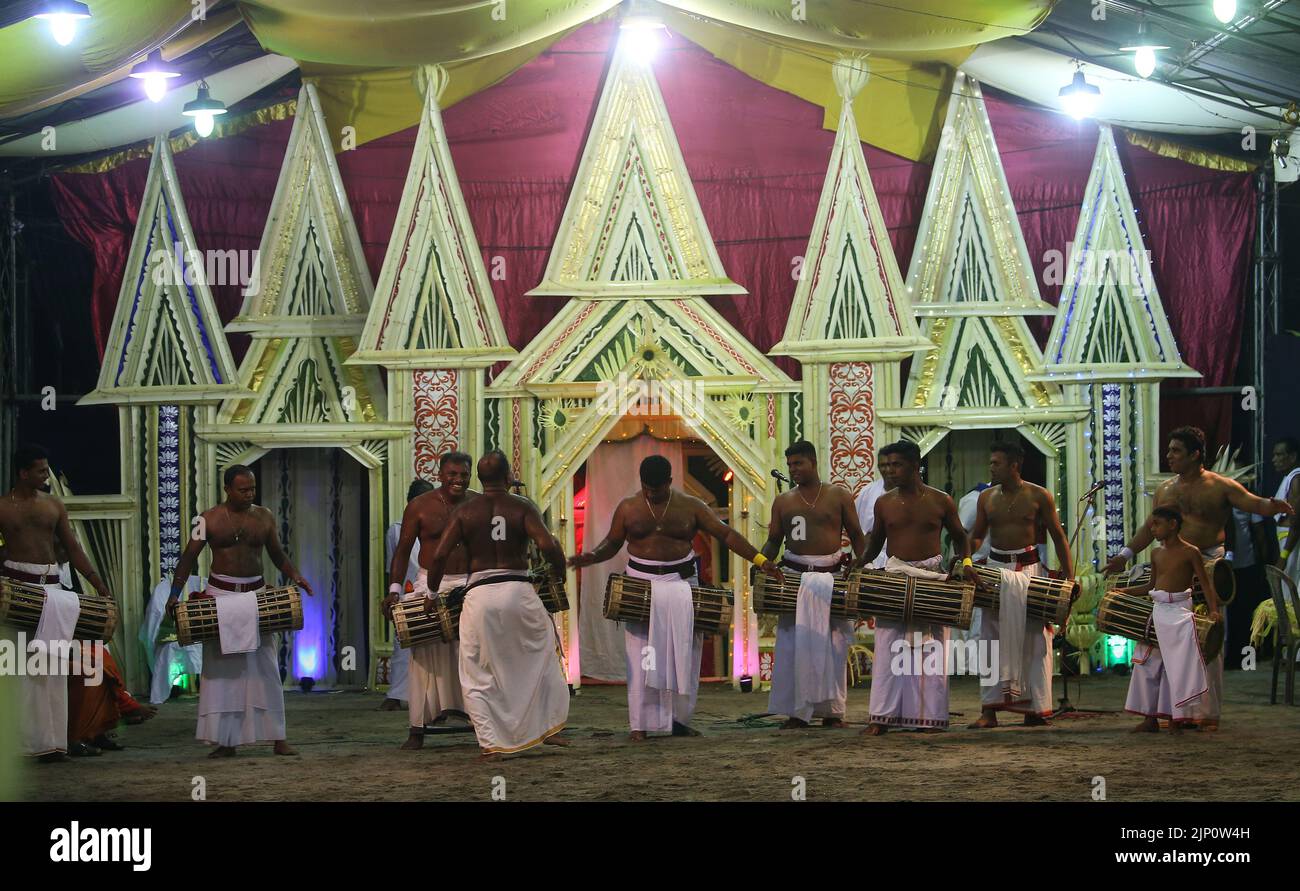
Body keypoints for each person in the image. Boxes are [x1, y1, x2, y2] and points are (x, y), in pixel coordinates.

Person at [570, 455, 781, 740]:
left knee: (683, 654)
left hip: (681, 582)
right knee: (643, 656)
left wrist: (759, 559)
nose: (651, 494)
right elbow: (612, 543)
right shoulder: (629, 507)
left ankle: (678, 721)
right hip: (642, 585)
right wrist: (592, 556)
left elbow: (726, 534)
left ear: (669, 482)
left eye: (657, 489)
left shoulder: (691, 506)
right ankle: (639, 725)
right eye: (647, 488)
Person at [1105, 426, 1292, 729]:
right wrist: (1124, 556)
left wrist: (1274, 507)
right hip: (1169, 566)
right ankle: (1155, 714)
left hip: (1207, 565)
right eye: (1169, 450)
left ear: (1195, 455)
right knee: (1155, 640)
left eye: (1176, 451)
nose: (1169, 456)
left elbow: (1254, 503)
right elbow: (1149, 527)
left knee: (1205, 639)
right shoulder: (1166, 489)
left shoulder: (1221, 486)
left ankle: (1201, 713)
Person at [426, 451, 570, 760]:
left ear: (478, 479)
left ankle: (491, 744)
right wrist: (559, 574)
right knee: (542, 658)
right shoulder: (522, 507)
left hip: (479, 595)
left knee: (477, 669)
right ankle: (547, 727)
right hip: (519, 591)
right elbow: (548, 545)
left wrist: (431, 593)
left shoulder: (465, 512)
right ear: (508, 478)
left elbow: (438, 556)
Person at [168, 464, 313, 757]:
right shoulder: (205, 519)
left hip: (257, 596)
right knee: (222, 672)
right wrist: (174, 593)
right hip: (221, 596)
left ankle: (278, 737)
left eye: (252, 489)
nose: (249, 494)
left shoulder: (265, 517)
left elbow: (277, 554)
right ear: (227, 489)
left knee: (267, 669)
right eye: (243, 489)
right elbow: (187, 558)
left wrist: (296, 575)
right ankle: (226, 741)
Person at [0, 444, 115, 762]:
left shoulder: (54, 505)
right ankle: (23, 745)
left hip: (53, 592)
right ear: (23, 473)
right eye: (39, 470)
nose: (45, 475)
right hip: (18, 590)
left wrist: (97, 582)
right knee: (20, 668)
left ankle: (53, 744)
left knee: (53, 669)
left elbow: (73, 548)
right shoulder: (2, 508)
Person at [858, 441, 971, 735]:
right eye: (887, 465)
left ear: (914, 466)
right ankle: (880, 718)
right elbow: (874, 544)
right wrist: (858, 563)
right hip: (895, 578)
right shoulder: (884, 502)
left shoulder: (941, 500)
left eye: (896, 465)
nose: (890, 471)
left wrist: (965, 564)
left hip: (931, 580)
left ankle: (930, 717)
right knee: (887, 649)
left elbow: (961, 537)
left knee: (931, 651)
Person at [966, 440, 1073, 728]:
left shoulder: (1039, 496)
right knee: (990, 639)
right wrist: (965, 560)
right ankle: (989, 710)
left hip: (1030, 570)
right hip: (995, 570)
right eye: (990, 463)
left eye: (996, 463)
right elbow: (977, 536)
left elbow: (1058, 536)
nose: (991, 467)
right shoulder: (986, 497)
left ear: (1014, 465)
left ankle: (1035, 709)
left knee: (1035, 638)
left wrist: (1069, 576)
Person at [759, 441, 866, 729]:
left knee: (832, 645)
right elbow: (773, 540)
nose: (793, 470)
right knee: (792, 645)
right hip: (794, 579)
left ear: (813, 462)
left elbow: (857, 535)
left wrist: (863, 566)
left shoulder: (839, 495)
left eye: (799, 464)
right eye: (790, 464)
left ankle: (832, 713)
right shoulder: (783, 501)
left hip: (830, 578)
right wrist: (760, 563)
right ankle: (797, 713)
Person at [384, 457, 474, 748]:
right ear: (440, 474)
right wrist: (394, 589)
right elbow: (402, 551)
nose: (458, 479)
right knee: (422, 658)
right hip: (428, 586)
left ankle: (481, 722)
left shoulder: (478, 503)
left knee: (474, 655)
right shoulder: (420, 506)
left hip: (470, 584)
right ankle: (417, 730)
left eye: (463, 474)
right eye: (452, 474)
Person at [1119, 506, 1221, 732]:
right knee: (1147, 663)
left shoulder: (1191, 551)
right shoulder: (1156, 553)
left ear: (1173, 525)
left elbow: (1204, 583)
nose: (1152, 529)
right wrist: (1125, 593)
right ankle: (1150, 718)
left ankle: (1176, 718)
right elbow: (1150, 586)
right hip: (1158, 610)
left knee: (1176, 666)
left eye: (1157, 524)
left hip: (1180, 611)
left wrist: (1214, 610)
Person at [379, 479, 436, 711]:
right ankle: (396, 693)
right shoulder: (397, 528)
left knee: (437, 645)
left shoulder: (443, 524)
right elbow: (393, 565)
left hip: (436, 590)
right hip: (407, 591)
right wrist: (392, 593)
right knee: (402, 643)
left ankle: (437, 699)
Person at [1272, 437, 1300, 582]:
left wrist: (1283, 557)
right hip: (1287, 543)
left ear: (1293, 457)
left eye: (1279, 455)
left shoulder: (1296, 479)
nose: (1274, 459)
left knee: (1292, 594)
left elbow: (1296, 524)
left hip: (1292, 547)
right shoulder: (1290, 478)